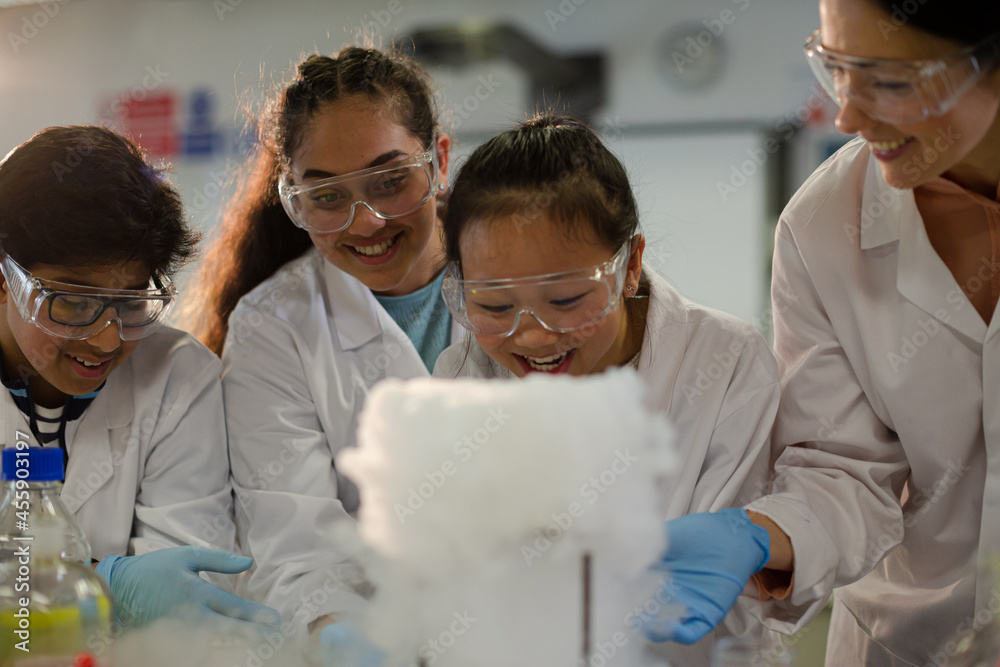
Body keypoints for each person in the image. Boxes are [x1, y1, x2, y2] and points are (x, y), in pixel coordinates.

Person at [655, 0, 1000, 664]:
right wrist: (762, 534)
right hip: (908, 644)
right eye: (838, 68)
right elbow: (843, 470)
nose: (847, 116)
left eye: (891, 81)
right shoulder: (822, 225)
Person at [431, 114, 779, 665]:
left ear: (631, 264)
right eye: (494, 307)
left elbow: (745, 588)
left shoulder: (723, 362)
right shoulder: (461, 377)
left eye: (567, 300)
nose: (534, 335)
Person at [183, 46, 458, 632]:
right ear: (294, 199)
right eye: (328, 196)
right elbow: (300, 551)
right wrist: (341, 639)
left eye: (389, 181)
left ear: (438, 160)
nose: (366, 222)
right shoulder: (274, 325)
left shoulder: (518, 267)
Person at [0, 126, 279, 629]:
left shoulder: (178, 375)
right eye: (75, 301)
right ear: (5, 281)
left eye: (130, 303)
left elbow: (189, 584)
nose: (107, 341)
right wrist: (108, 583)